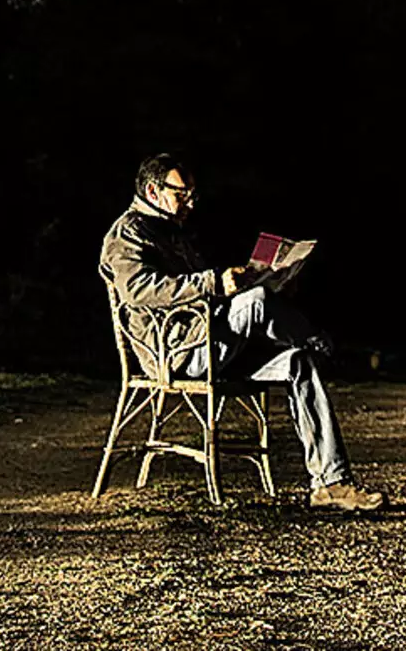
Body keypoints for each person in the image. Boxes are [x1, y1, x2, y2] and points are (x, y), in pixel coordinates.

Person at [99, 151, 385, 512]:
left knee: (298, 361)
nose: (189, 202)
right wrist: (214, 282)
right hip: (177, 351)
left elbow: (203, 291)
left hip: (211, 340)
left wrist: (258, 279)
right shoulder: (128, 234)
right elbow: (138, 289)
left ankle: (331, 483)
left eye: (192, 194)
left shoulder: (174, 232)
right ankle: (336, 355)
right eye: (181, 193)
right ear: (153, 192)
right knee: (259, 302)